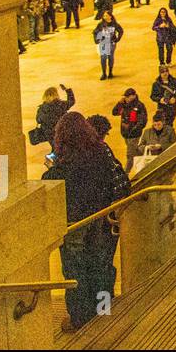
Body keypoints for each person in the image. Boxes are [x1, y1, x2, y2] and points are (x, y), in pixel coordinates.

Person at [42, 112, 130, 332]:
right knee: (100, 266)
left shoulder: (65, 162)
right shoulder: (101, 152)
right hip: (100, 219)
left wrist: (50, 170)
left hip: (76, 225)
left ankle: (80, 318)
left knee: (76, 272)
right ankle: (103, 310)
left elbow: (51, 183)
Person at [112, 88, 148, 172]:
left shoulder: (139, 106)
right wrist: (119, 103)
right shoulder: (123, 104)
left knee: (130, 155)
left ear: (133, 96)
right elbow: (114, 112)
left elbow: (143, 121)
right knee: (134, 151)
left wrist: (134, 129)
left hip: (134, 135)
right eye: (125, 97)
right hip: (125, 134)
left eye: (128, 97)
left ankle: (126, 173)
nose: (126, 99)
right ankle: (143, 152)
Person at [149, 65, 176, 129]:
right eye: (163, 72)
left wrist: (175, 97)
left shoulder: (174, 81)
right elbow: (152, 96)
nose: (165, 73)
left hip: (172, 107)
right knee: (163, 124)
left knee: (170, 123)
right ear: (160, 73)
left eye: (166, 71)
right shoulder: (156, 84)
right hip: (162, 108)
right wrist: (160, 100)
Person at [93, 10, 123, 80]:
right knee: (103, 57)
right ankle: (104, 73)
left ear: (110, 16)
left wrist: (117, 39)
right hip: (103, 43)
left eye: (106, 15)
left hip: (111, 43)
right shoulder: (101, 24)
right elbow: (95, 32)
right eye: (104, 16)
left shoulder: (114, 24)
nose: (105, 17)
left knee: (110, 57)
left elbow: (121, 31)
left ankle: (110, 72)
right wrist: (97, 40)